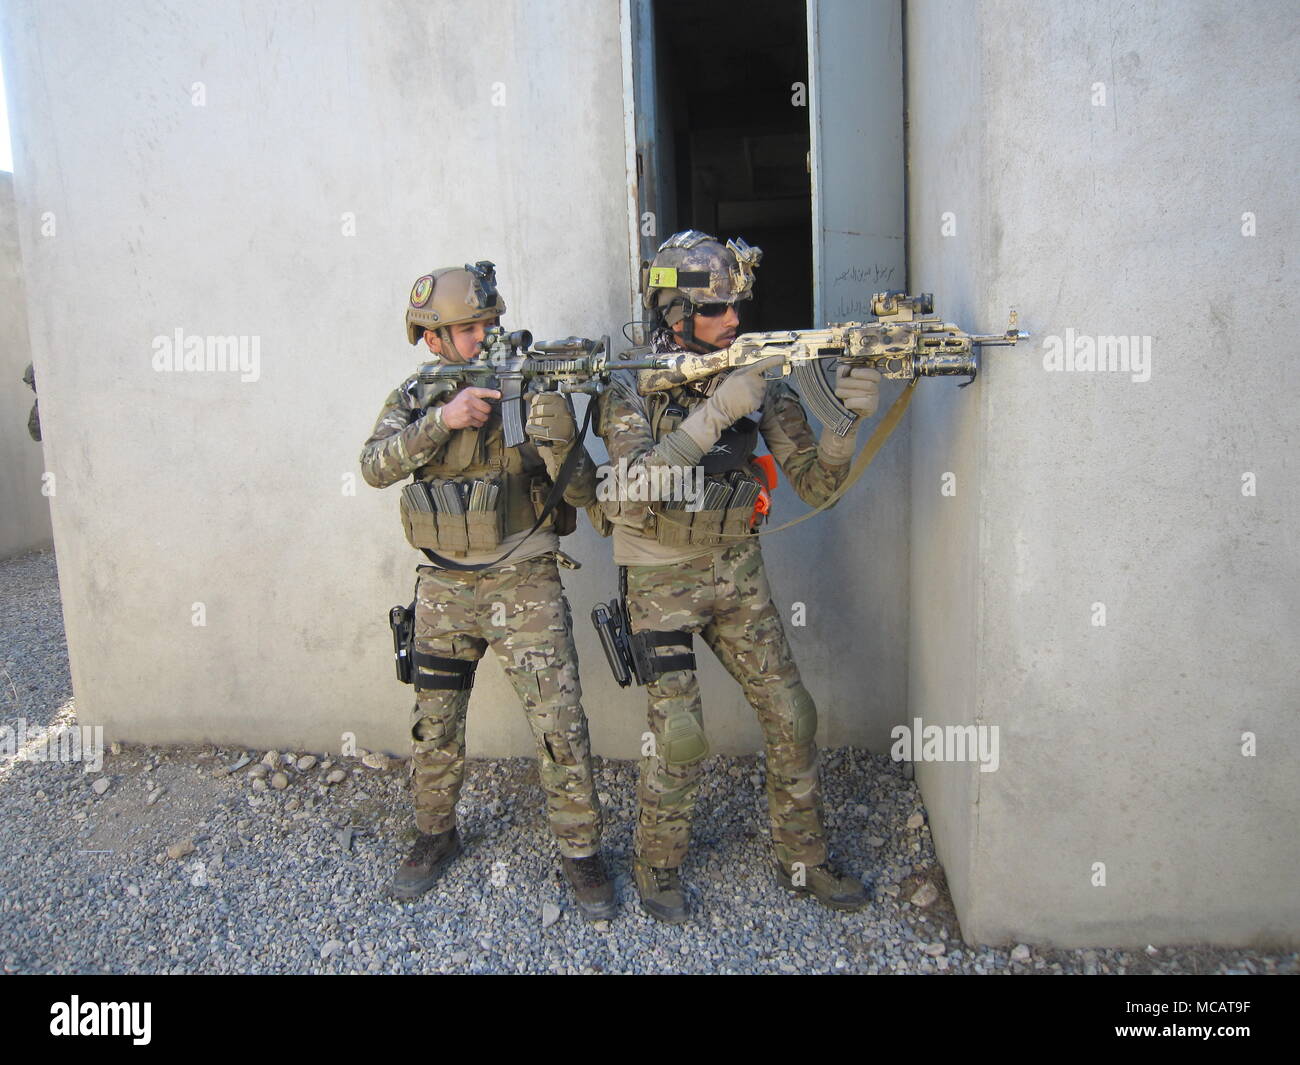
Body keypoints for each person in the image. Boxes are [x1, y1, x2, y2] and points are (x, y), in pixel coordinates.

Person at [596, 230, 880, 922]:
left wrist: (846, 421)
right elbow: (624, 492)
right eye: (715, 310)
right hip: (660, 580)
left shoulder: (759, 378)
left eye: (736, 307)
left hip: (734, 569)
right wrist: (717, 410)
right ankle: (657, 864)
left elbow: (815, 482)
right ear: (673, 312)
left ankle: (802, 857)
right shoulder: (629, 384)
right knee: (683, 734)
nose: (733, 323)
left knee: (792, 714)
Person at [359, 261, 614, 920]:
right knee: (434, 723)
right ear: (432, 336)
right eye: (468, 327)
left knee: (559, 721)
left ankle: (581, 852)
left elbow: (585, 496)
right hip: (443, 585)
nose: (482, 335)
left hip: (523, 579)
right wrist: (442, 420)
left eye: (488, 324)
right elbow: (373, 466)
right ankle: (434, 834)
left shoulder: (527, 387)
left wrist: (556, 430)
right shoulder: (417, 394)